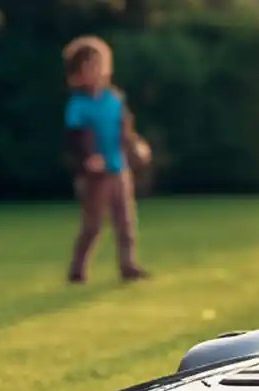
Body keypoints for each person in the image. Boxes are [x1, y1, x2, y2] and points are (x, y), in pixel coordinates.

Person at [62, 35, 152, 284]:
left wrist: (136, 146)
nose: (95, 71)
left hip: (118, 166)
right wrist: (87, 159)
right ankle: (77, 269)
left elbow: (126, 128)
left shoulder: (114, 99)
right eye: (88, 66)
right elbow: (74, 138)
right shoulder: (78, 105)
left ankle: (128, 265)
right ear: (77, 74)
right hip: (94, 175)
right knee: (93, 225)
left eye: (98, 64)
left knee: (125, 221)